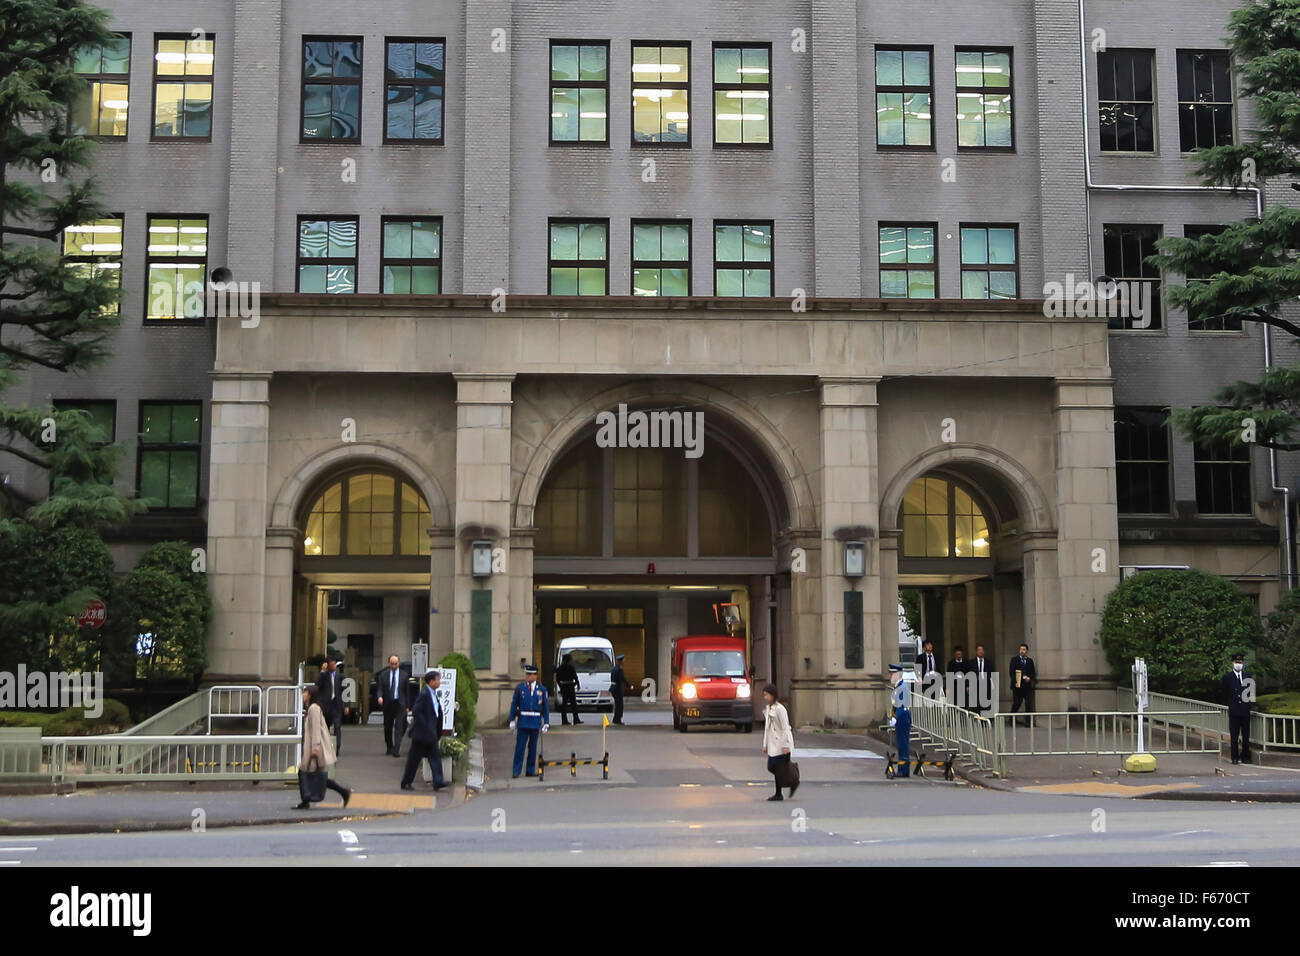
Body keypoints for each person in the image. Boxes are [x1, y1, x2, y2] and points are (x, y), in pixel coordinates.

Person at [295, 684, 351, 809]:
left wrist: (315, 748)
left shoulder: (314, 709)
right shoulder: (312, 708)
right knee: (319, 776)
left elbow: (315, 729)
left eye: (305, 693)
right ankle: (343, 792)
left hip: (314, 748)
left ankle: (306, 798)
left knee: (304, 771)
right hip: (313, 747)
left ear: (310, 695)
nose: (303, 695)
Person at [401, 669, 448, 791]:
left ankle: (438, 781)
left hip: (430, 734)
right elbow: (416, 711)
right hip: (421, 734)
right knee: (414, 760)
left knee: (435, 757)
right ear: (431, 681)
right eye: (437, 680)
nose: (439, 682)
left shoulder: (432, 693)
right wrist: (426, 726)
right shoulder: (424, 694)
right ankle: (406, 782)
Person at [508, 664, 550, 779]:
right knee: (520, 747)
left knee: (533, 748)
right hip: (523, 721)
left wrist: (546, 722)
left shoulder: (541, 689)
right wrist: (512, 719)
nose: (527, 676)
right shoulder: (520, 688)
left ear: (535, 676)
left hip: (535, 721)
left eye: (530, 674)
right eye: (527, 674)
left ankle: (530, 770)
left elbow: (545, 707)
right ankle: (516, 770)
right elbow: (514, 704)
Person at [761, 684, 795, 801]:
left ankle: (780, 791)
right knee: (773, 767)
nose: (765, 697)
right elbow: (767, 728)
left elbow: (786, 727)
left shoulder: (780, 709)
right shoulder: (769, 708)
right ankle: (787, 785)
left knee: (778, 768)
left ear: (772, 695)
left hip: (781, 743)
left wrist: (785, 745)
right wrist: (765, 744)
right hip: (773, 744)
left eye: (766, 695)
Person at [1222, 653, 1254, 765]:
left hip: (1245, 711)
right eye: (1236, 662)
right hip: (1234, 710)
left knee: (1246, 735)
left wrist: (1249, 706)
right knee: (1234, 736)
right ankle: (1234, 757)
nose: (1238, 665)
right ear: (1232, 663)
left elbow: (1251, 694)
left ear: (1243, 663)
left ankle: (1245, 756)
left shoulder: (1248, 677)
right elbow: (1223, 693)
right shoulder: (1227, 677)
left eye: (1240, 662)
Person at [377, 654, 410, 757]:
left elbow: (407, 692)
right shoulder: (383, 675)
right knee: (388, 726)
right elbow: (380, 688)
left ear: (398, 664)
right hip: (388, 703)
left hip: (400, 703)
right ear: (389, 664)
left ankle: (397, 749)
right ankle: (389, 746)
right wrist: (380, 697)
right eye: (392, 664)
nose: (394, 666)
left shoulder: (404, 675)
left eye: (396, 664)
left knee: (399, 726)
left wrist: (407, 706)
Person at [315, 651, 346, 755]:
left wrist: (346, 705)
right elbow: (317, 686)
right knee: (326, 727)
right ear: (327, 665)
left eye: (334, 664)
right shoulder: (323, 676)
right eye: (332, 664)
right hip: (326, 705)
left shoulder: (339, 676)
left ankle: (337, 747)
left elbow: (344, 691)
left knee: (337, 726)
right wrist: (322, 672)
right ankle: (327, 747)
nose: (334, 666)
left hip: (336, 705)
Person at [889, 664, 911, 777]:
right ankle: (902, 769)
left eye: (892, 674)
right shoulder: (898, 686)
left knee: (903, 744)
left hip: (903, 717)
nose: (890, 676)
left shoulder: (902, 687)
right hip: (901, 716)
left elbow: (901, 706)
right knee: (901, 744)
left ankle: (904, 770)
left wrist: (895, 718)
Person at [1010, 643, 1036, 725]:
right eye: (1021, 649)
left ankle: (1028, 722)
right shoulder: (1014, 660)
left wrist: (1030, 678)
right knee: (1016, 703)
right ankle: (1012, 719)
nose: (1022, 651)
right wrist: (1016, 681)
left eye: (1024, 650)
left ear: (1027, 651)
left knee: (1028, 704)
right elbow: (1011, 672)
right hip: (1018, 686)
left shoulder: (1030, 661)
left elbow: (1033, 673)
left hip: (1027, 686)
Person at [555, 653, 581, 726]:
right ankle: (576, 719)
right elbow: (575, 677)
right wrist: (577, 684)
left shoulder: (560, 668)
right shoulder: (571, 667)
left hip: (563, 686)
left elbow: (557, 679)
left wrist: (561, 686)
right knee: (573, 703)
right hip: (570, 685)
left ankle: (564, 720)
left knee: (564, 704)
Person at [610, 653, 633, 725]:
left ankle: (615, 719)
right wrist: (629, 686)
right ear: (621, 661)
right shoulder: (620, 670)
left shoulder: (614, 668)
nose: (624, 661)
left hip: (613, 688)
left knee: (617, 705)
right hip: (617, 689)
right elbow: (622, 679)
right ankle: (617, 719)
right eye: (623, 660)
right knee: (619, 705)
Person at [970, 643, 994, 714]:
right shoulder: (971, 663)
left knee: (986, 705)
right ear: (976, 651)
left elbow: (992, 675)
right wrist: (968, 686)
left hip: (986, 686)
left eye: (982, 650)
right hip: (975, 686)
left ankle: (985, 722)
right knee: (976, 706)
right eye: (979, 650)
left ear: (984, 651)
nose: (980, 651)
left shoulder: (989, 663)